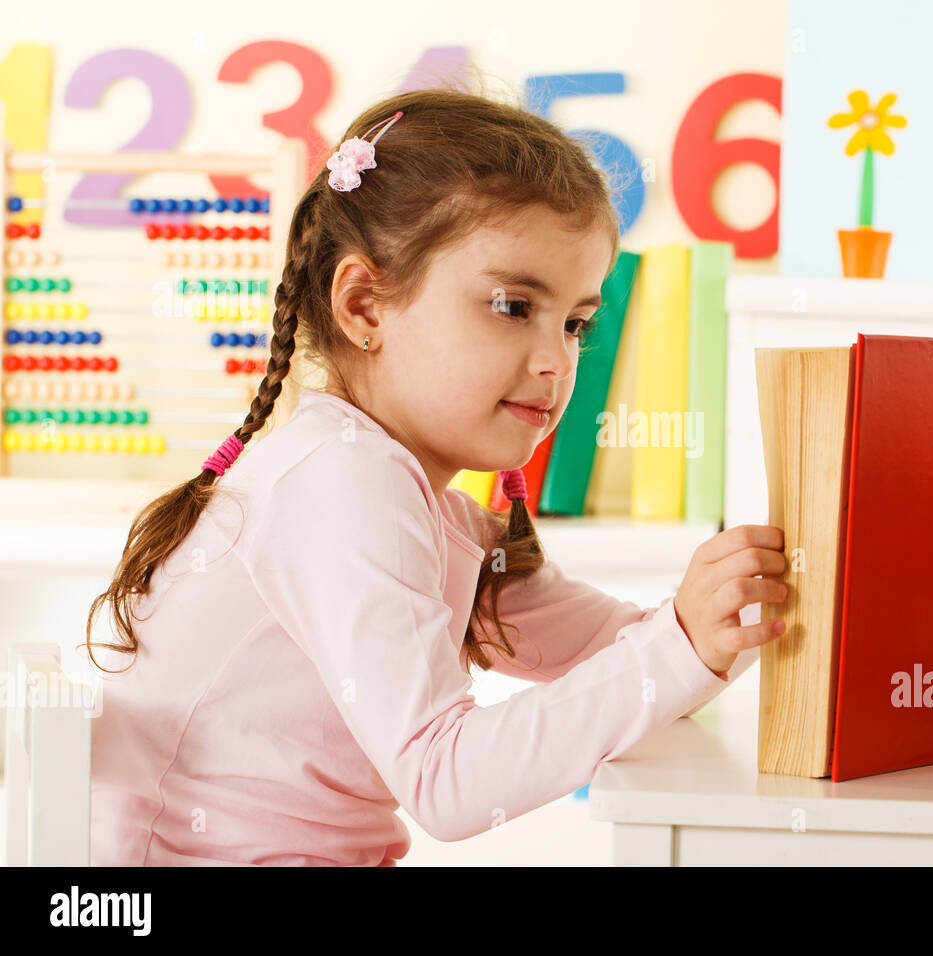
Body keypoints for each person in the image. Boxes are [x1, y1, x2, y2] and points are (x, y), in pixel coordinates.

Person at [83, 86, 788, 866]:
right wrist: (680, 644)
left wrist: (725, 623)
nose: (558, 360)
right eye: (513, 305)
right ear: (364, 306)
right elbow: (446, 782)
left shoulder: (429, 509)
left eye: (576, 323)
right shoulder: (341, 485)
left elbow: (631, 655)